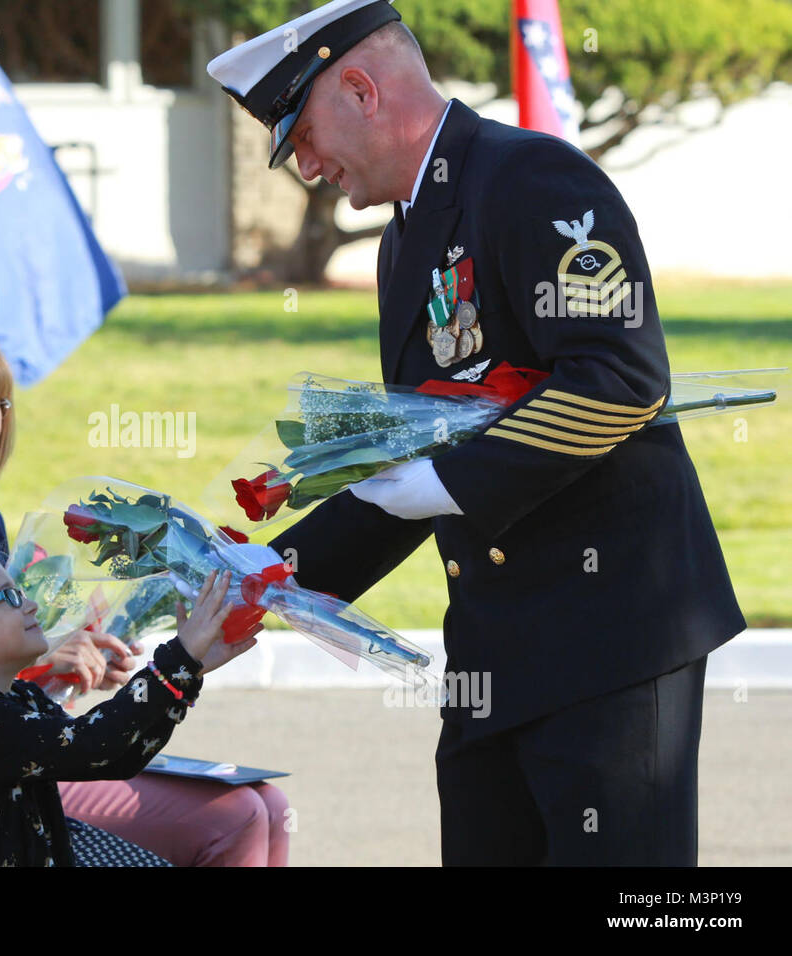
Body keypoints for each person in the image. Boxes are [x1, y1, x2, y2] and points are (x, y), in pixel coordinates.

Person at [208, 0, 745, 865]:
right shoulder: (405, 237)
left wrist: (454, 483)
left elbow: (620, 379)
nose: (305, 167)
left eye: (302, 134)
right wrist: (265, 580)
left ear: (359, 87)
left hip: (608, 633)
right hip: (495, 646)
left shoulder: (532, 179)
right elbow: (408, 456)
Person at [0, 313, 292, 866]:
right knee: (241, 815)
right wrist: (52, 658)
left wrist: (78, 659)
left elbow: (80, 732)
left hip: (29, 763)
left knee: (269, 803)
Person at [0, 549, 257, 866]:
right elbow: (95, 742)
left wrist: (187, 673)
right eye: (10, 597)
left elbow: (113, 759)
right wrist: (177, 659)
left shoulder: (17, 699)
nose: (30, 604)